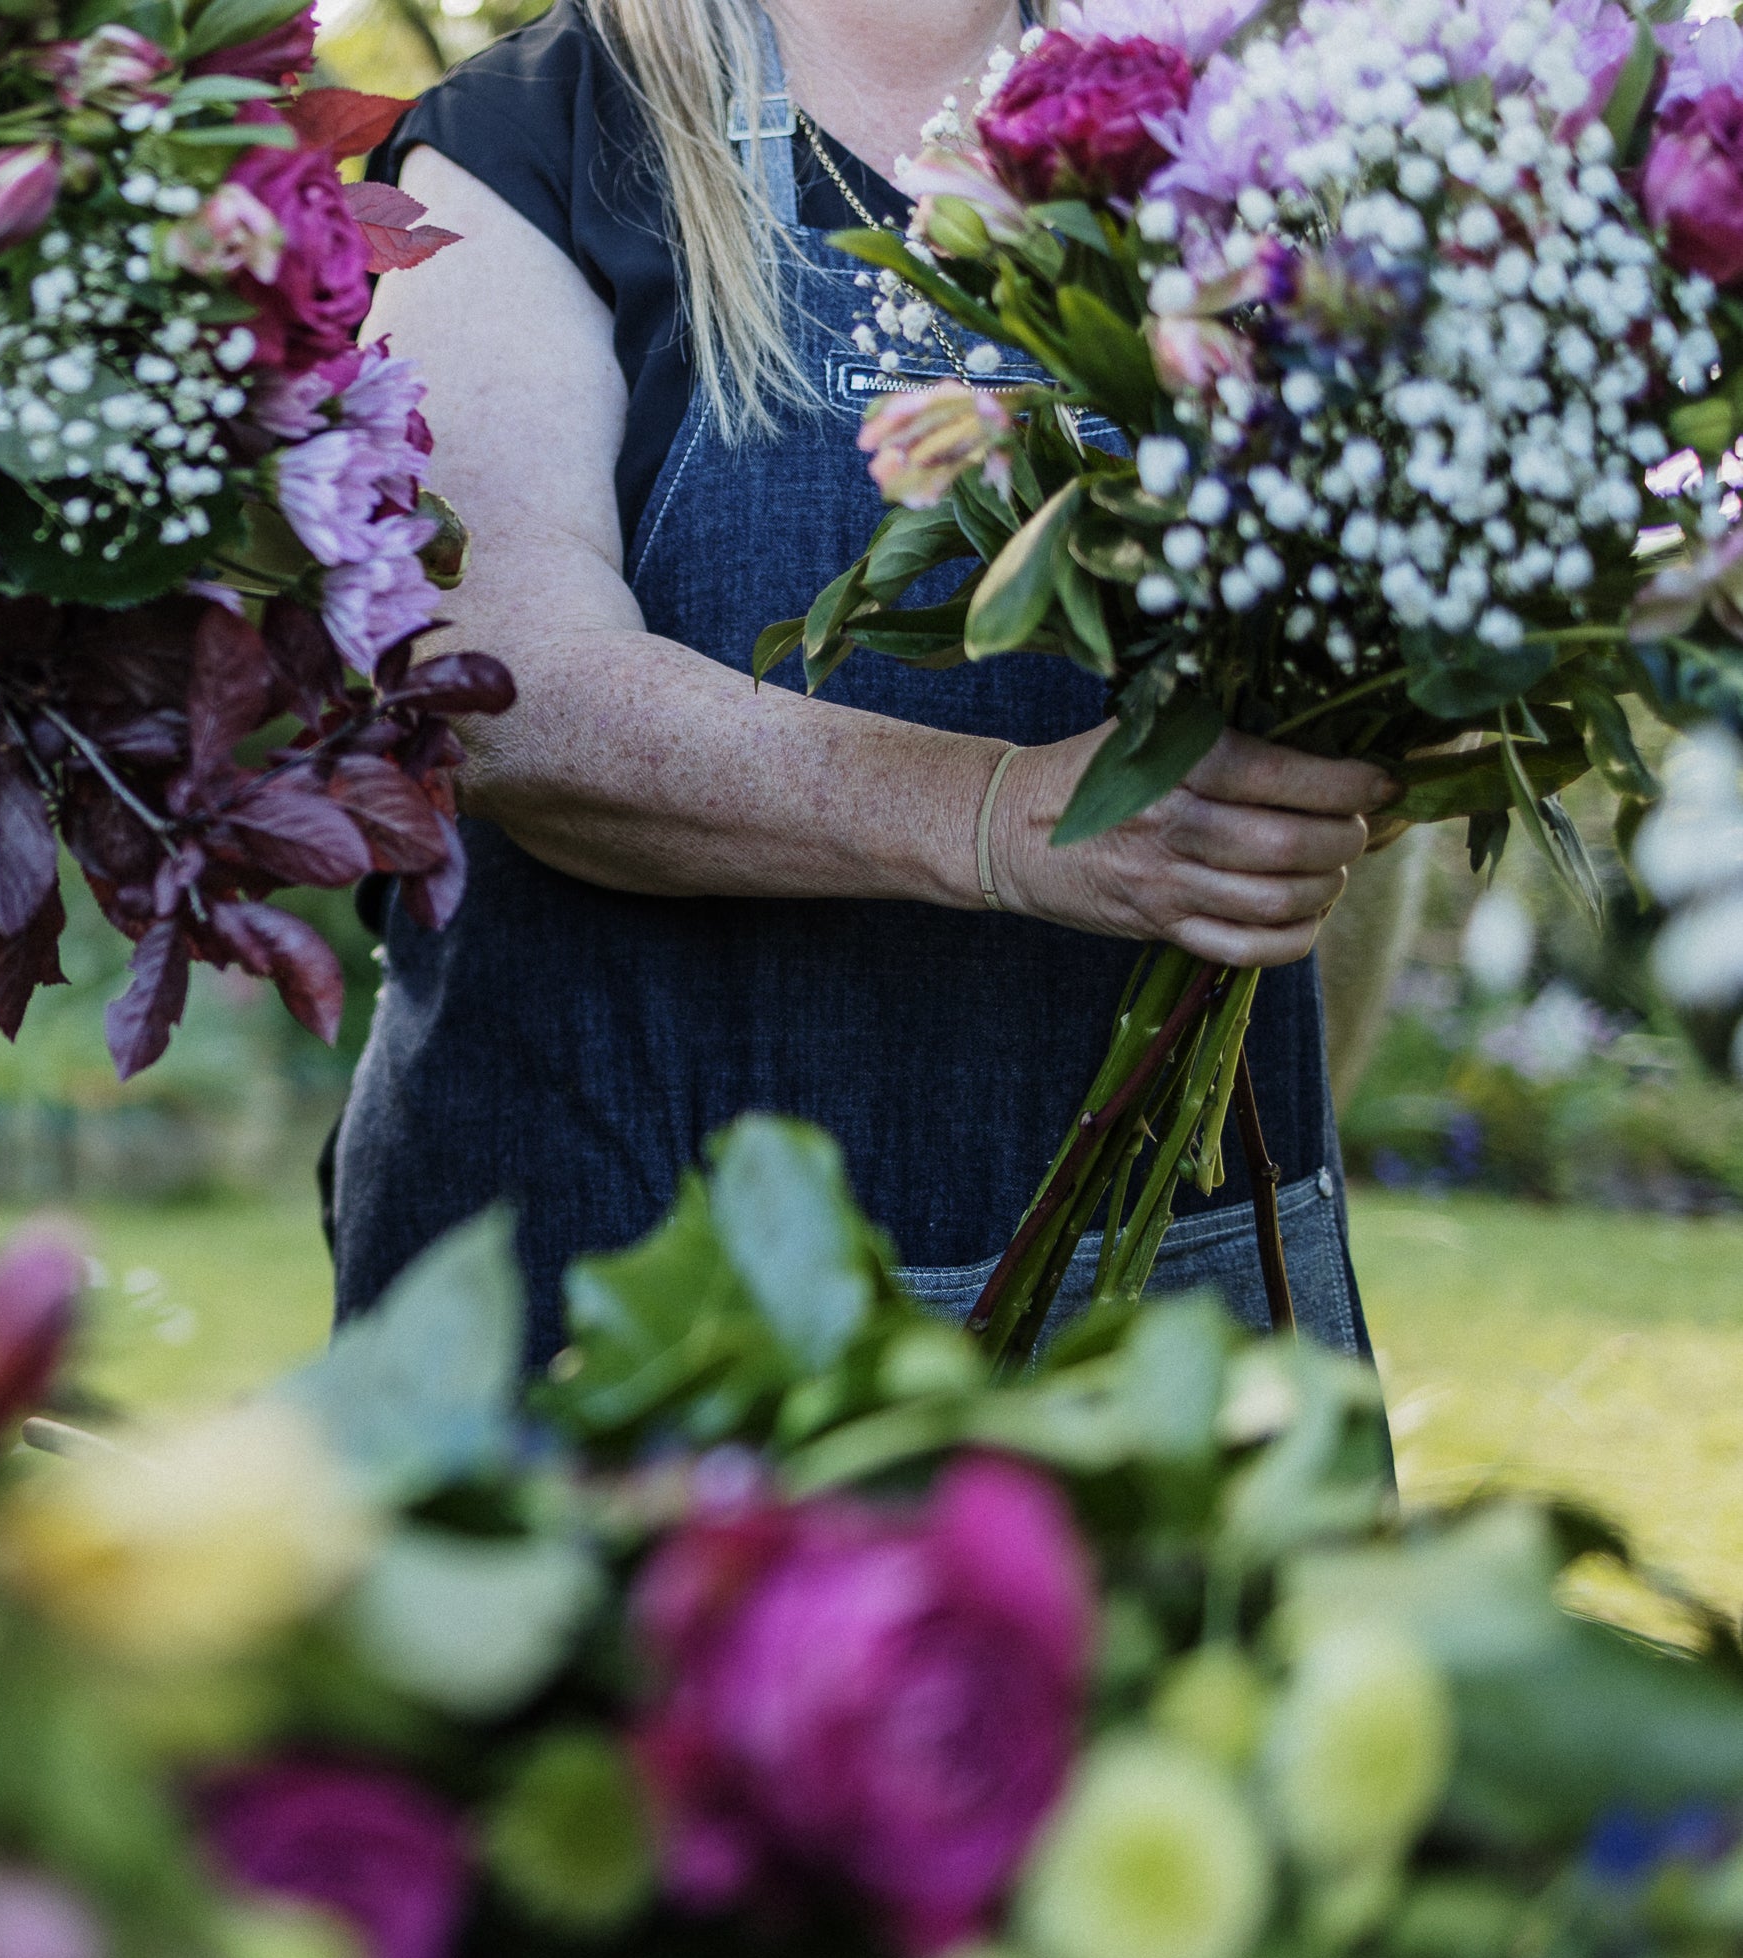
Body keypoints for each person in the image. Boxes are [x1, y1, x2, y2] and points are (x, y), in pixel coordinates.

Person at [331, 0, 1397, 1362]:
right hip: (648, 1293)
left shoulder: (1246, 124)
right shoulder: (534, 135)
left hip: (1171, 1318)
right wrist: (1011, 818)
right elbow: (501, 693)